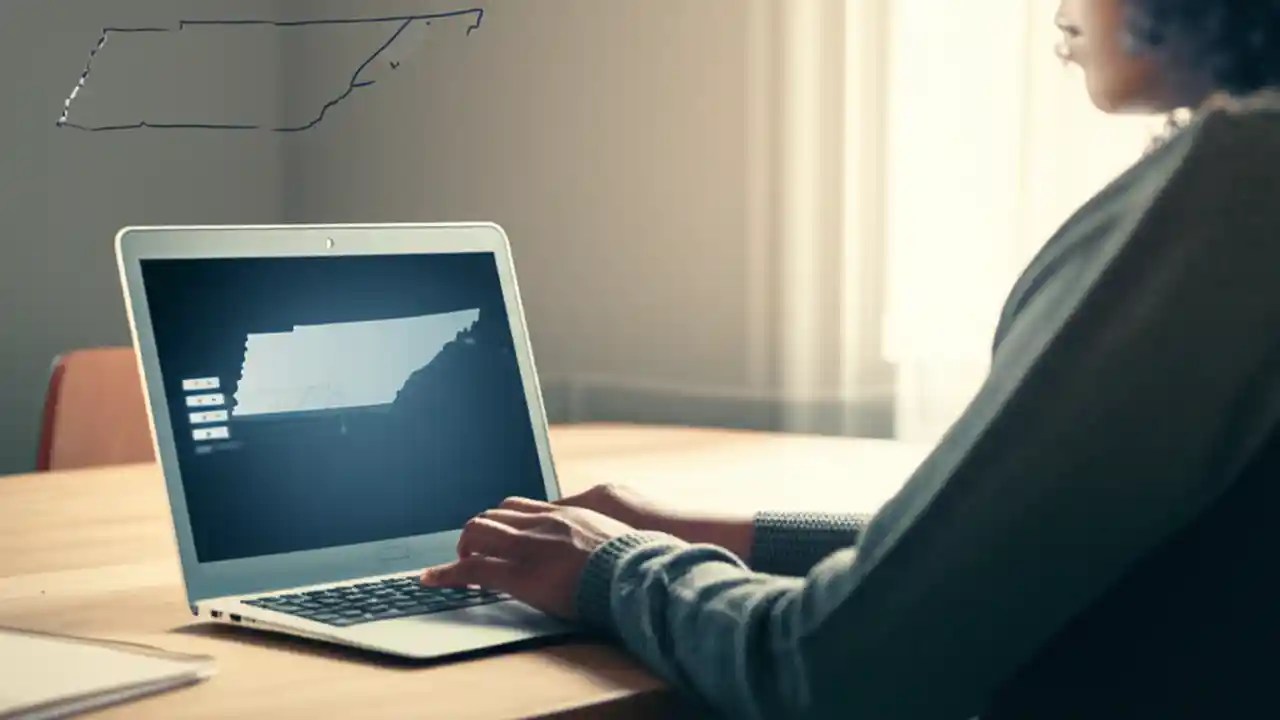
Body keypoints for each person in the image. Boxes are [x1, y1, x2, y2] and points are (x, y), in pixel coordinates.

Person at [422, 1, 1280, 717]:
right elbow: (1065, 546)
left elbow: (837, 669)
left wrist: (610, 568)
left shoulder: (1235, 198)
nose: (1059, 9)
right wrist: (734, 537)